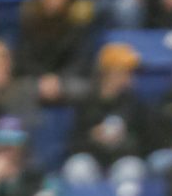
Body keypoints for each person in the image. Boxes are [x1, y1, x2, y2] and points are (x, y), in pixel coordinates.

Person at [63, 42, 152, 185]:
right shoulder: (86, 102)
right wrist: (93, 138)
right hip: (93, 160)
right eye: (126, 71)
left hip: (122, 160)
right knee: (77, 167)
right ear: (109, 72)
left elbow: (146, 144)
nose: (131, 77)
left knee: (131, 169)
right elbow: (72, 144)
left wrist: (123, 140)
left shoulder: (135, 104)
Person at [18, 0, 98, 104]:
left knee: (85, 90)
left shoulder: (78, 24)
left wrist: (58, 79)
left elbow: (81, 61)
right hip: (37, 80)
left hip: (66, 81)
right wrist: (43, 78)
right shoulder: (30, 21)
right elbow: (23, 58)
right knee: (19, 89)